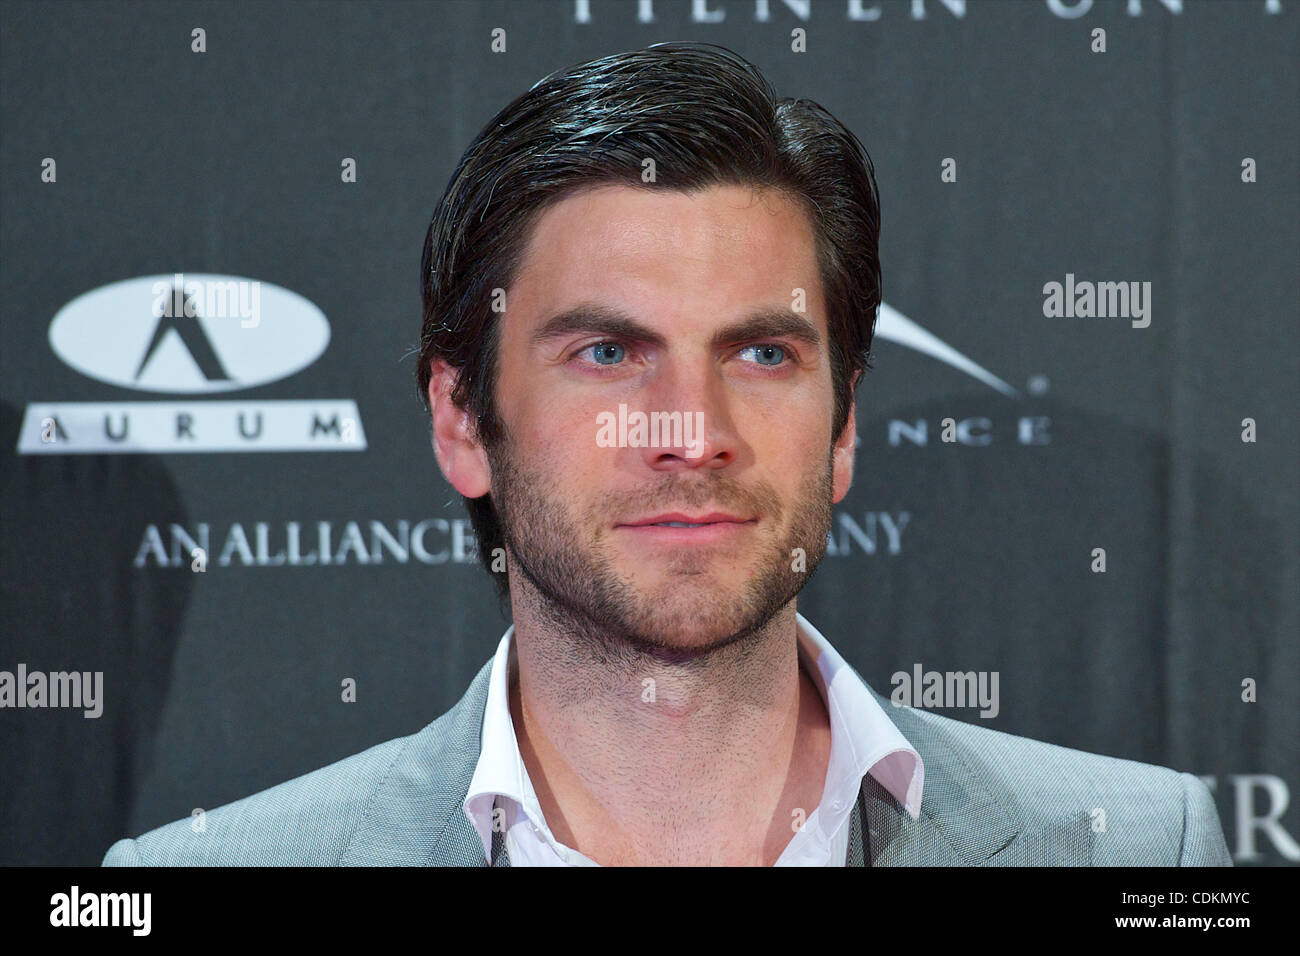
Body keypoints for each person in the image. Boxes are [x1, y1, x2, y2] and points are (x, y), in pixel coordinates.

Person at [103, 41, 1230, 867]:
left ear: (841, 426)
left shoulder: (1138, 849)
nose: (689, 432)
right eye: (606, 351)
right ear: (461, 421)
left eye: (760, 352)